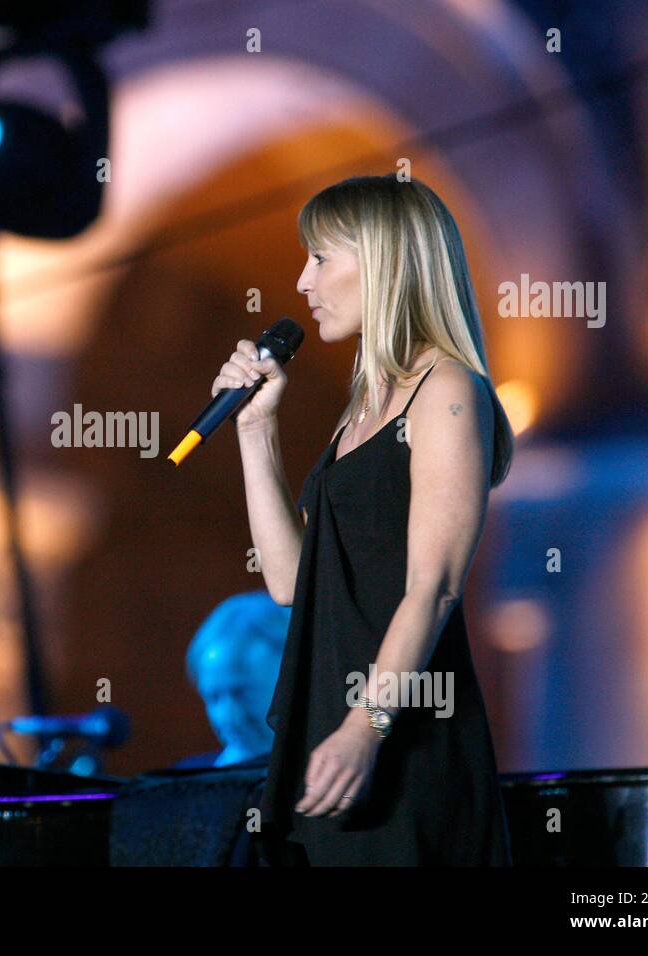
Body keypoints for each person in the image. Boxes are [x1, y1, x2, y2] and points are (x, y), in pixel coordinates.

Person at [220, 174, 513, 865]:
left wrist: (367, 726)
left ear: (384, 263)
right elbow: (293, 584)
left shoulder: (445, 391)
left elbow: (433, 586)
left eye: (320, 258)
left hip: (397, 744)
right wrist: (255, 432)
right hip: (327, 735)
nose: (302, 281)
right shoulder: (363, 409)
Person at [174, 591, 290, 768]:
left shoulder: (341, 781)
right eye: (213, 697)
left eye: (242, 693)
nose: (228, 716)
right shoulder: (185, 784)